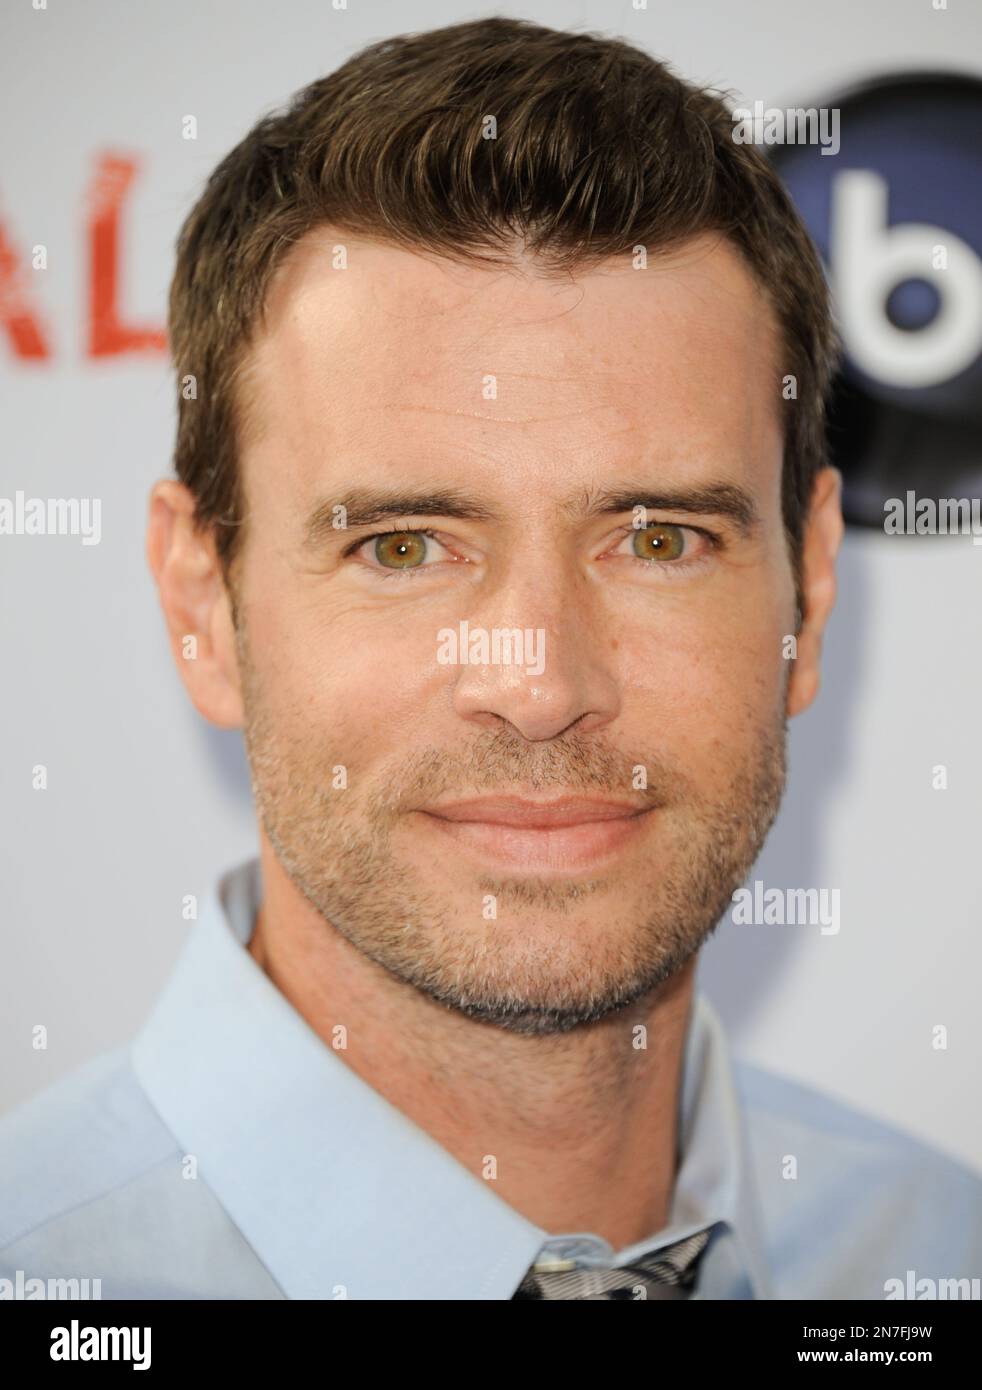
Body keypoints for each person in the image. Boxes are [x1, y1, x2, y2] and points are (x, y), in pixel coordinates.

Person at [2, 15, 980, 1302]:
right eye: (405, 548)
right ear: (203, 606)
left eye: (659, 538)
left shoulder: (936, 1259)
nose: (539, 681)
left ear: (807, 584)